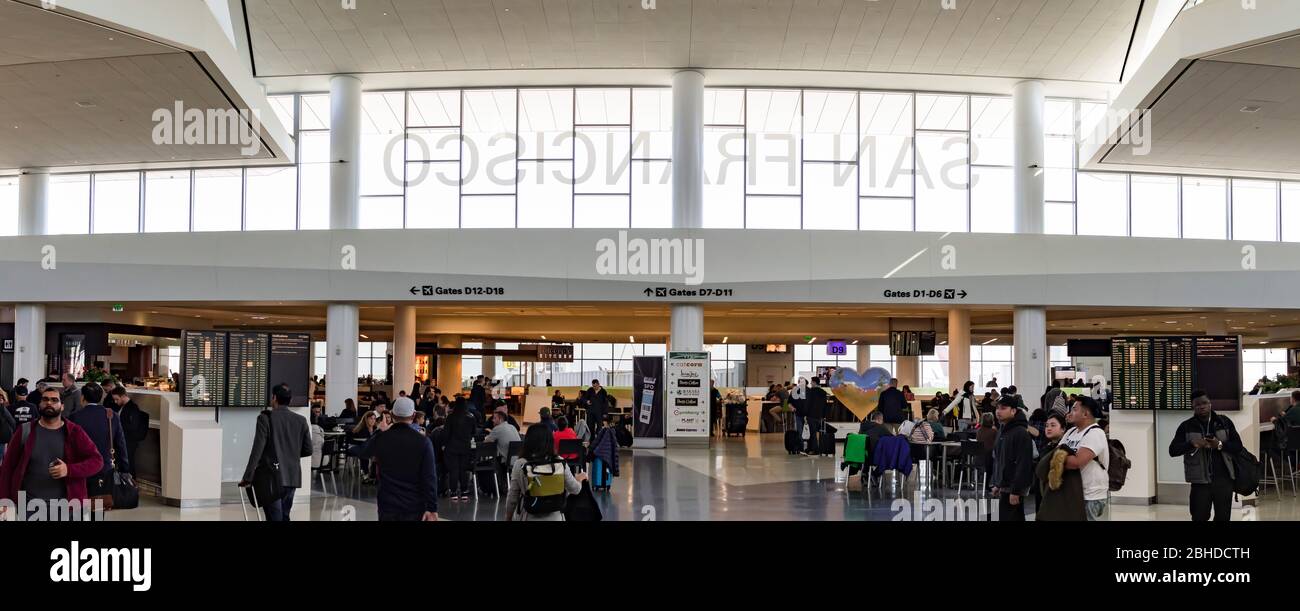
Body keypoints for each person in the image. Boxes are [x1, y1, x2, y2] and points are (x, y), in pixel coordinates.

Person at [0, 387, 104, 520]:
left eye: (54, 400)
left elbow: (97, 461)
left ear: (62, 406)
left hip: (68, 507)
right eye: (45, 399)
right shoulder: (25, 431)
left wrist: (69, 470)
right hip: (30, 507)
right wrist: (4, 500)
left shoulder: (74, 432)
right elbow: (7, 468)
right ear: (39, 404)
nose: (49, 403)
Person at [350, 397, 439, 521]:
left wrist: (378, 431)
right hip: (415, 504)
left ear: (391, 414)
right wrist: (432, 507)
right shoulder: (423, 442)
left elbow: (364, 452)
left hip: (388, 503)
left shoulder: (382, 438)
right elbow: (429, 476)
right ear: (413, 415)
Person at [239, 384, 312, 521]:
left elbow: (257, 450)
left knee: (274, 517)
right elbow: (308, 449)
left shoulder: (265, 419)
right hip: (292, 476)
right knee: (285, 515)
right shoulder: (301, 420)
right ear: (289, 401)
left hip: (271, 477)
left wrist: (248, 476)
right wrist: (290, 454)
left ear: (274, 398)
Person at [1169, 390, 1243, 522]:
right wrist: (1192, 443)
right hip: (1199, 483)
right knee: (1199, 517)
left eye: (1204, 403)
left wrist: (1219, 444)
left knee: (1223, 517)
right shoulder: (1186, 426)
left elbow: (1238, 446)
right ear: (1193, 406)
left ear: (1210, 404)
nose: (1201, 406)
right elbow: (1173, 450)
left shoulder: (1224, 422)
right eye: (1197, 404)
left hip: (1224, 479)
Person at [504, 425, 584, 521]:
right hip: (556, 518)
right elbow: (575, 489)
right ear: (550, 441)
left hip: (528, 517)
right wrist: (579, 479)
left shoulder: (521, 463)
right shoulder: (559, 462)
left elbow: (512, 497)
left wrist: (508, 517)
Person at [67, 383, 131, 494]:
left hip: (81, 467)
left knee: (80, 501)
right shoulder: (112, 415)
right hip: (105, 467)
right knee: (99, 502)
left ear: (82, 398)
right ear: (101, 397)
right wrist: (125, 468)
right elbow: (121, 444)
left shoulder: (74, 417)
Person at [1060, 396, 1110, 521]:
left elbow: (1077, 462)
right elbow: (1055, 454)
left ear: (1085, 413)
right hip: (1073, 492)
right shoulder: (1071, 432)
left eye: (1074, 409)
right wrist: (1058, 458)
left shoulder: (1095, 433)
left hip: (1092, 496)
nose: (1070, 413)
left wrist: (1058, 460)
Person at [1034, 412, 1085, 521]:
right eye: (1047, 426)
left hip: (1058, 494)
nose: (1048, 428)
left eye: (1053, 425)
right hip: (1043, 491)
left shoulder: (1064, 449)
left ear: (1063, 429)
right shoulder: (1046, 447)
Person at [990, 396, 1034, 521]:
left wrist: (1016, 490)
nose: (998, 411)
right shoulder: (1002, 430)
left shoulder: (1020, 432)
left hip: (1013, 487)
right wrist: (997, 483)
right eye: (997, 408)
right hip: (1004, 486)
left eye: (1003, 408)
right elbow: (1000, 459)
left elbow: (1023, 463)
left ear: (1013, 411)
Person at [442, 397, 477, 501]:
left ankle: (453, 492)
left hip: (452, 447)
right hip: (465, 446)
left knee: (454, 469)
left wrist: (444, 444)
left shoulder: (451, 417)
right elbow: (474, 432)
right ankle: (464, 491)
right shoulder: (471, 417)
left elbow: (446, 433)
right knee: (463, 469)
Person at [589, 414, 620, 485]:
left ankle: (598, 483)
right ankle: (606, 483)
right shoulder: (612, 432)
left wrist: (590, 452)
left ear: (604, 422)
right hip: (608, 456)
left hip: (599, 454)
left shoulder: (603, 431)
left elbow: (595, 443)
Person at [804, 376, 828, 455]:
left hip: (811, 414)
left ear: (814, 382)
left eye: (811, 382)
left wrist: (805, 414)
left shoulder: (810, 392)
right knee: (817, 432)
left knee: (813, 433)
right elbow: (825, 405)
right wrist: (824, 415)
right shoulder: (823, 392)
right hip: (819, 415)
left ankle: (815, 450)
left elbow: (808, 404)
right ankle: (811, 448)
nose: (810, 383)